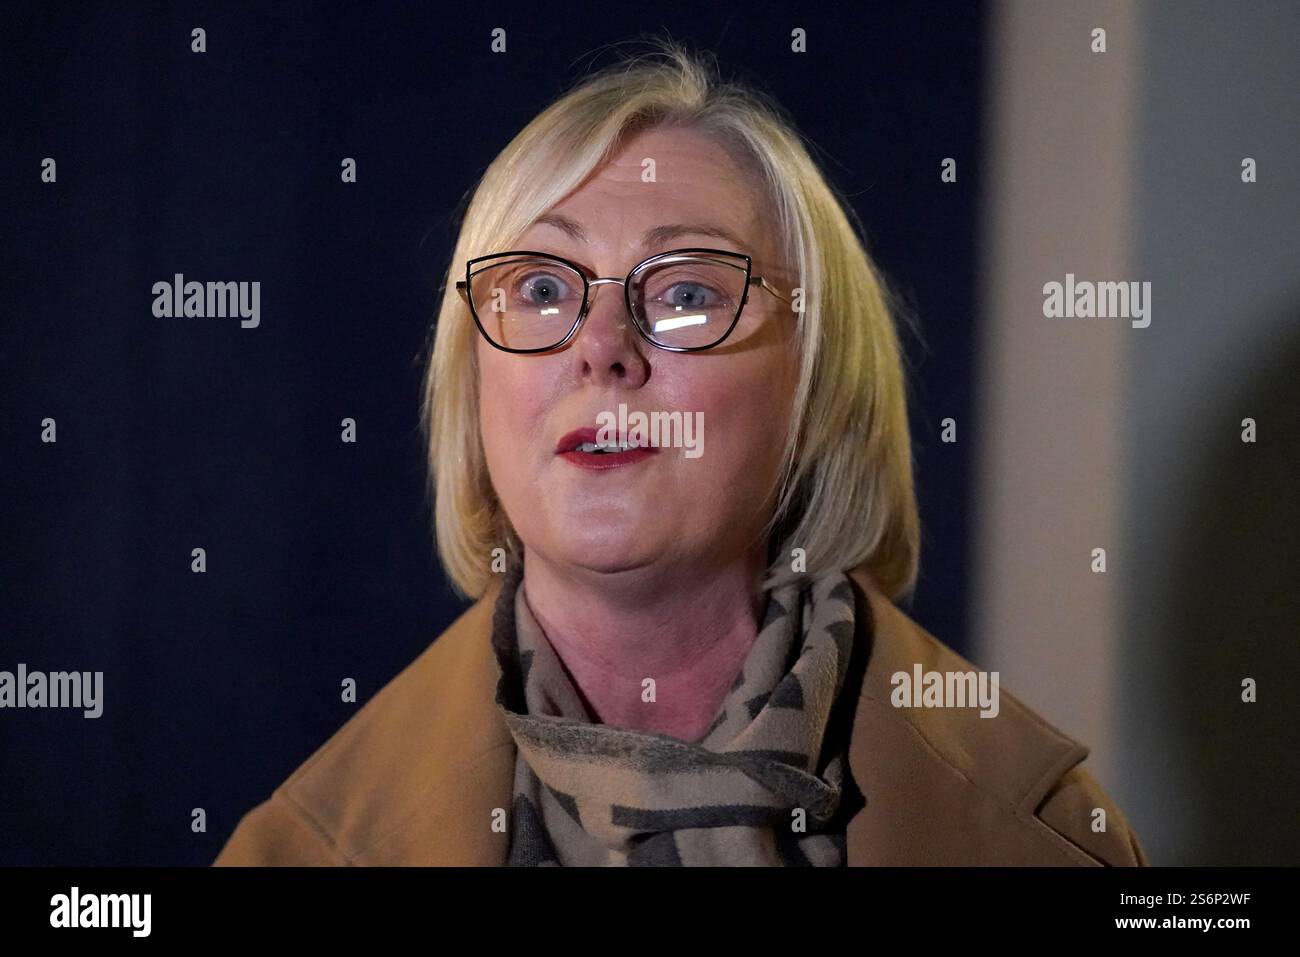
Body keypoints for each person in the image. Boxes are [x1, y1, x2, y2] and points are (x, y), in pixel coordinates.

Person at [214, 41, 1146, 866]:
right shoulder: (294, 851)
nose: (602, 344)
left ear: (816, 389)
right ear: (475, 386)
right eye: (541, 284)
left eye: (688, 291)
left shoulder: (1054, 839)